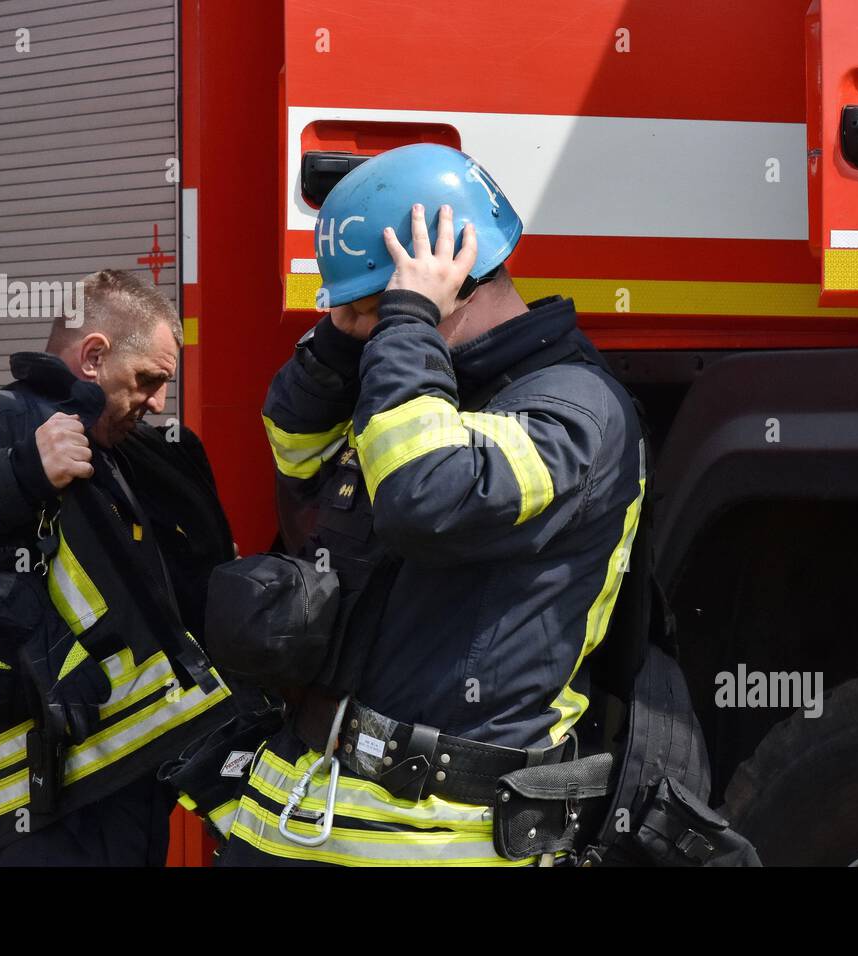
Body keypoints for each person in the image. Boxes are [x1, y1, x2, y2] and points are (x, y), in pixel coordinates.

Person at [220, 143, 646, 865]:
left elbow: (427, 499)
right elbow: (296, 452)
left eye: (370, 310)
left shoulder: (574, 409)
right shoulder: (409, 383)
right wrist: (339, 342)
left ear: (452, 279)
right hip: (299, 818)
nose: (366, 330)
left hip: (428, 842)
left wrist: (407, 322)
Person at [0, 269, 236, 866]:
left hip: (133, 784)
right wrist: (21, 472)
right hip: (38, 800)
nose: (158, 401)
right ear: (93, 356)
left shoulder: (130, 455)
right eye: (147, 380)